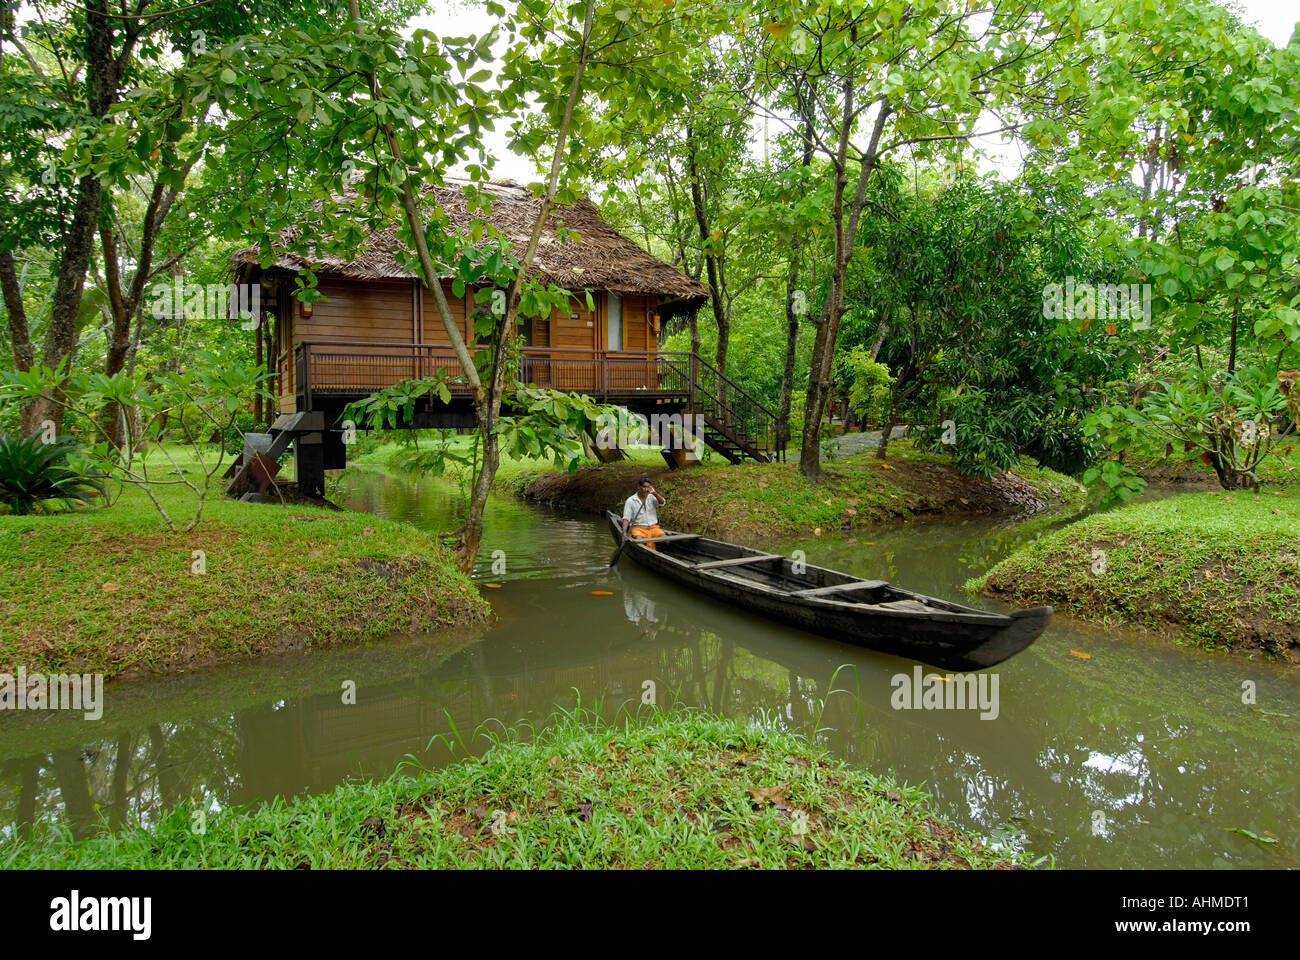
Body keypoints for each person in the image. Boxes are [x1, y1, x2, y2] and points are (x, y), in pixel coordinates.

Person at [621, 476, 667, 550]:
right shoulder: (631, 501)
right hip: (638, 529)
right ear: (638, 487)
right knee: (640, 542)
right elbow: (626, 518)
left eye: (648, 487)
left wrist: (655, 493)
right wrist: (624, 533)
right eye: (644, 487)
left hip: (653, 528)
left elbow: (662, 502)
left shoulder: (651, 496)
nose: (646, 489)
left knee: (666, 540)